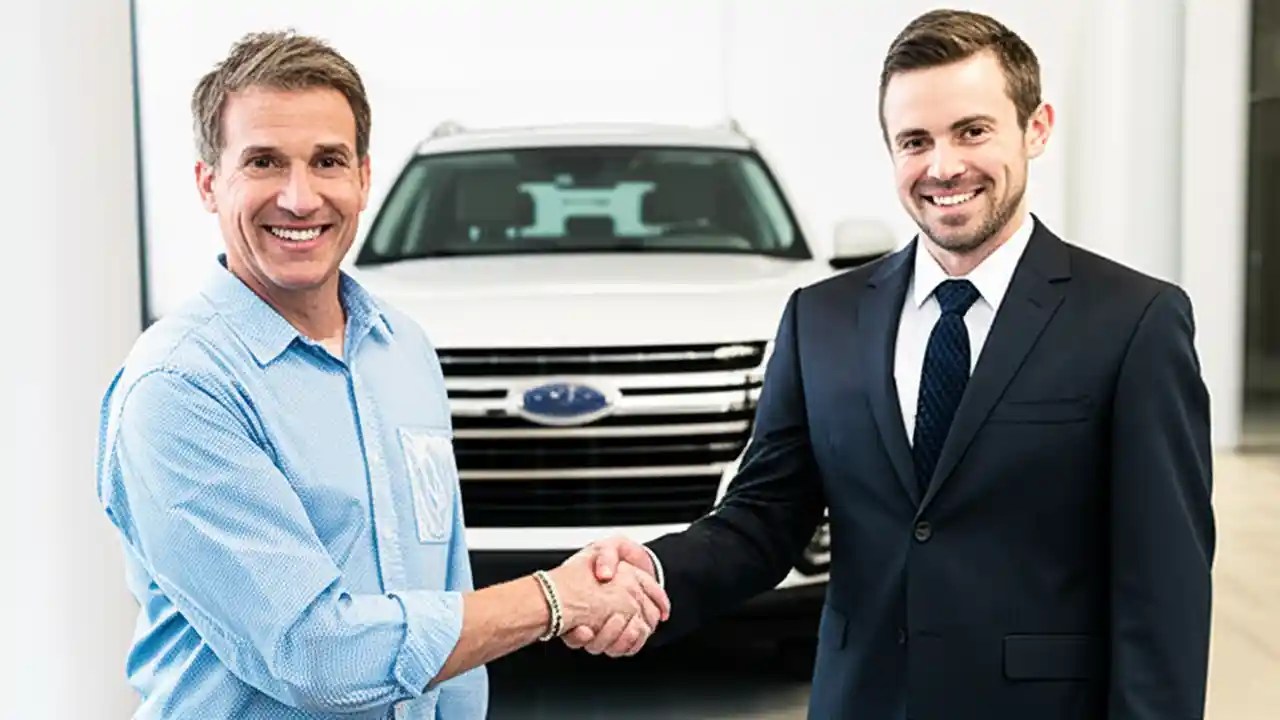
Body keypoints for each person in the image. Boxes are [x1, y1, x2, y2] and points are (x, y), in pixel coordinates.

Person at [565, 9, 1214, 719]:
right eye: (915, 140)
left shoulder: (1133, 320)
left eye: (972, 131)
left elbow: (1165, 582)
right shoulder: (821, 319)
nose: (943, 167)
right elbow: (764, 518)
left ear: (1036, 128)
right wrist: (654, 571)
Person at [95, 30, 668, 719]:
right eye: (264, 162)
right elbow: (314, 654)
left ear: (363, 178)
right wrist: (552, 598)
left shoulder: (403, 351)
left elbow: (445, 586)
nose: (300, 198)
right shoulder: (179, 389)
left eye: (328, 161)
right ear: (208, 183)